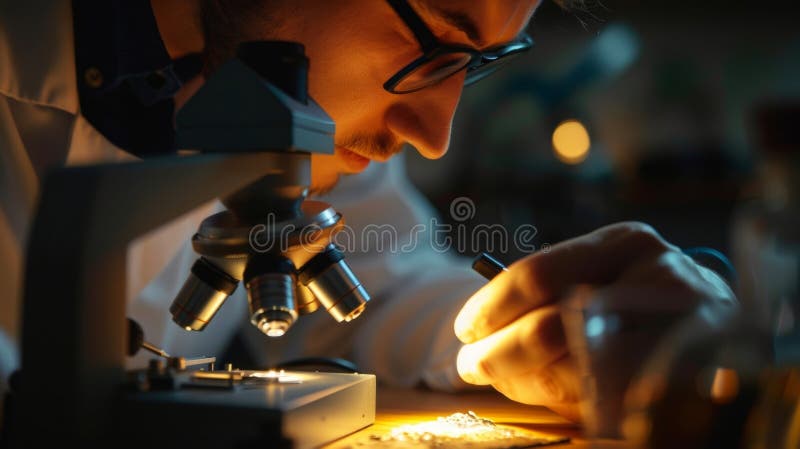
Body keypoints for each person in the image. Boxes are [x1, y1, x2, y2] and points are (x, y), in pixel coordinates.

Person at [0, 0, 735, 427]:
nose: (433, 132)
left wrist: (565, 326)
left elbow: (392, 284)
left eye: (475, 61)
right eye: (437, 43)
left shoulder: (298, 90)